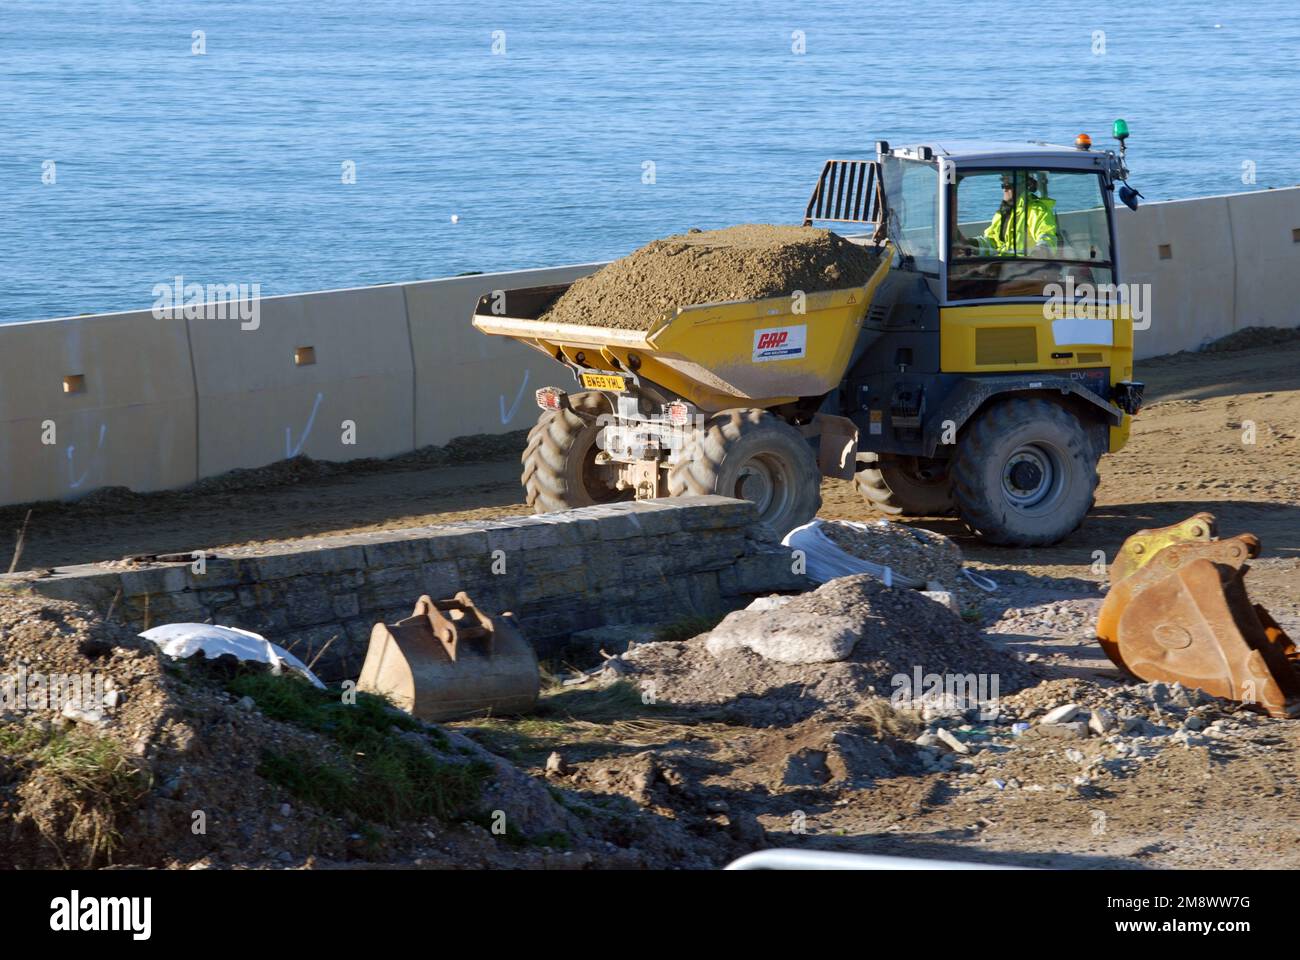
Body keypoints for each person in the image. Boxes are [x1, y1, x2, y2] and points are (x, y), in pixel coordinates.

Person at [957, 173, 1058, 257]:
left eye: (1008, 184)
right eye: (1003, 184)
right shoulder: (1004, 212)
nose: (1004, 189)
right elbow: (994, 242)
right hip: (1004, 267)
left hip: (1025, 271)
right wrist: (969, 244)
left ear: (1025, 184)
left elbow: (1047, 238)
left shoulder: (1036, 210)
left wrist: (1037, 255)